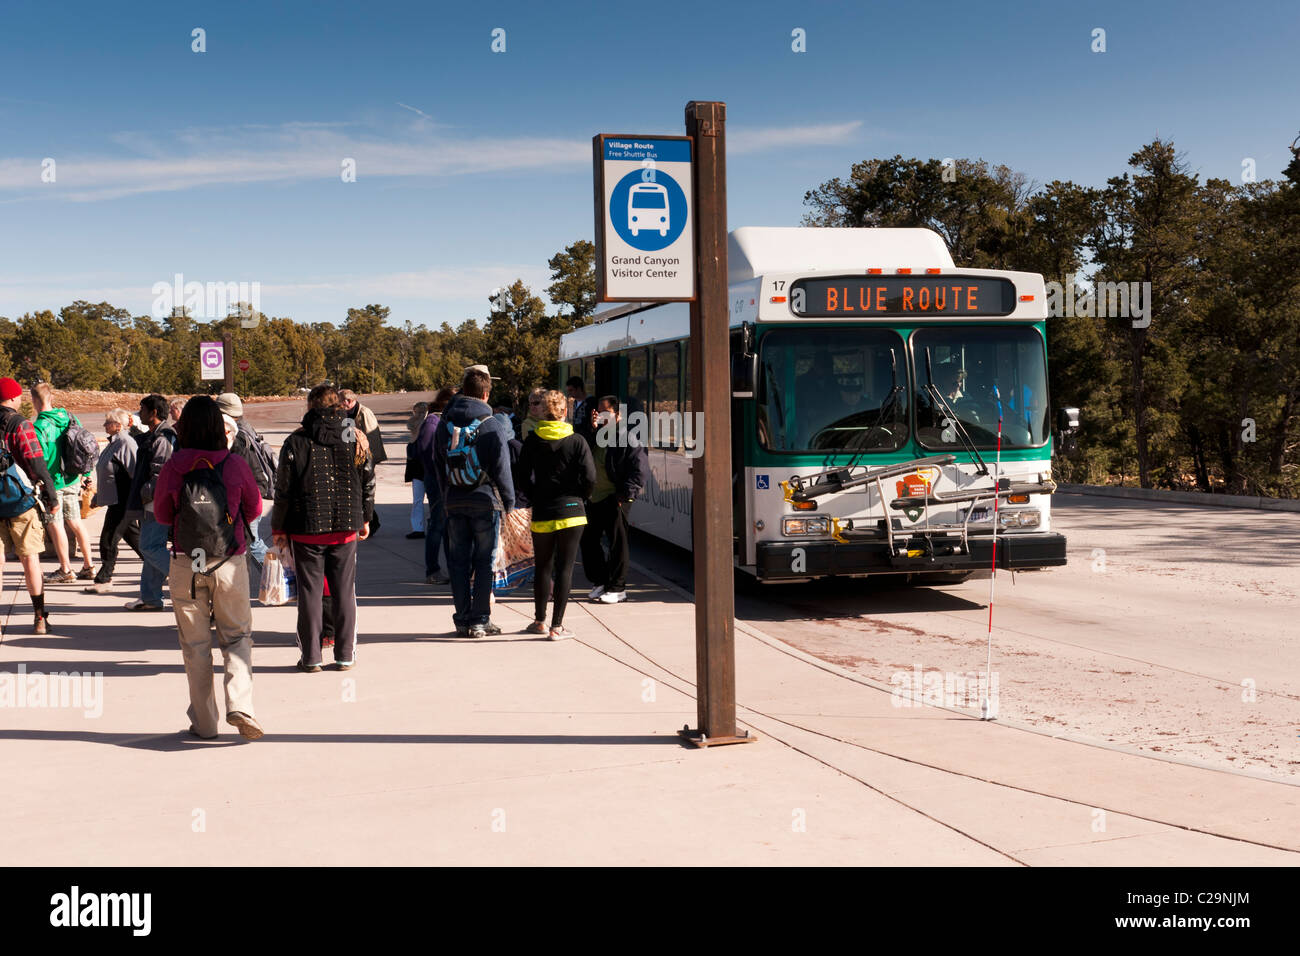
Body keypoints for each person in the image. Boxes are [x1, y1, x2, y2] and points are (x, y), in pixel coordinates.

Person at [153, 396, 263, 741]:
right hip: (228, 559)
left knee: (195, 645)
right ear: (219, 426)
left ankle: (204, 723)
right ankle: (240, 705)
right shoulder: (233, 464)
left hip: (187, 561)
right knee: (237, 636)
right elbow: (255, 508)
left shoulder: (174, 465)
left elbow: (161, 515)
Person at [272, 384, 376, 672]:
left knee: (310, 593)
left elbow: (283, 489)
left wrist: (278, 526)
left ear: (309, 407)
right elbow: (368, 481)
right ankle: (344, 655)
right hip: (345, 526)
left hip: (306, 528)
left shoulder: (296, 441)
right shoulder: (354, 437)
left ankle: (311, 657)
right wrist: (365, 517)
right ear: (339, 406)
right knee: (344, 593)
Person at [432, 366, 515, 638]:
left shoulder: (445, 424)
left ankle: (461, 619)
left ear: (462, 391)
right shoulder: (492, 425)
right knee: (482, 562)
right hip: (485, 501)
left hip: (454, 501)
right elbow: (502, 466)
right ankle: (480, 620)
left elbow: (437, 461)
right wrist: (509, 502)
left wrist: (445, 494)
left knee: (457, 562)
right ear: (487, 394)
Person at [516, 390, 595, 640]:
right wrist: (581, 497)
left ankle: (539, 621)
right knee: (565, 569)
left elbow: (521, 476)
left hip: (543, 510)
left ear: (546, 411)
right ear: (564, 412)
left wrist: (533, 495)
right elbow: (590, 477)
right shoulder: (577, 441)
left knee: (542, 567)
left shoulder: (532, 440)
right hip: (572, 512)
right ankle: (557, 627)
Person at [0, 377, 59, 634]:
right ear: (12, 397)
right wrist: (52, 496)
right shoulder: (20, 424)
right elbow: (36, 463)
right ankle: (39, 618)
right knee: (30, 559)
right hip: (20, 502)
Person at [580, 396, 648, 605]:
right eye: (597, 411)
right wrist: (591, 429)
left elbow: (639, 470)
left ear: (618, 415)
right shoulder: (597, 435)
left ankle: (618, 588)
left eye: (605, 412)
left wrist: (625, 496)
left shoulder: (627, 438)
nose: (600, 415)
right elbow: (581, 452)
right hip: (594, 497)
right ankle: (600, 581)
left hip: (615, 498)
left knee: (617, 543)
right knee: (588, 541)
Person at [30, 383, 95, 583]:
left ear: (34, 401)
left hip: (53, 483)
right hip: (73, 477)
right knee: (75, 522)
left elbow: (42, 459)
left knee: (55, 525)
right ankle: (89, 565)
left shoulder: (40, 426)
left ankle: (66, 569)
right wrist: (87, 473)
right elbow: (84, 445)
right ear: (51, 398)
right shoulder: (68, 417)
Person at [124, 393, 178, 611]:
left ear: (154, 413)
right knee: (152, 547)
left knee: (149, 547)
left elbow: (161, 472)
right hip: (153, 501)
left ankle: (189, 580)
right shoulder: (154, 435)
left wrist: (146, 493)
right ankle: (151, 598)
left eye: (143, 410)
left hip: (157, 502)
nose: (140, 414)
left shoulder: (164, 438)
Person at [216, 393, 277, 578]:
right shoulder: (245, 428)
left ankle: (280, 581)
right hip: (252, 495)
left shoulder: (236, 436)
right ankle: (281, 581)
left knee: (253, 544)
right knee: (253, 543)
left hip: (247, 499)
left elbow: (241, 473)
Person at [84, 408, 140, 594]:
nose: (104, 426)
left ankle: (104, 578)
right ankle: (162, 567)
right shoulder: (114, 443)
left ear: (118, 425)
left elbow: (135, 472)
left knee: (108, 539)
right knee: (135, 539)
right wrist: (99, 497)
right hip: (117, 500)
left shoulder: (126, 443)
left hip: (124, 500)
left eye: (108, 422)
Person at [415, 386, 456, 584]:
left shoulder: (443, 419)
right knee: (438, 525)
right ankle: (433, 570)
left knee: (448, 527)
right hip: (438, 480)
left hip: (445, 479)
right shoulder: (433, 421)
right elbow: (424, 449)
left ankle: (452, 567)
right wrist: (440, 469)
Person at [340, 389, 386, 536]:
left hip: (363, 459)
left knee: (363, 492)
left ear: (349, 401)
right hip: (351, 459)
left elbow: (372, 438)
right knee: (356, 491)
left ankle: (372, 522)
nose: (340, 404)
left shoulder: (364, 413)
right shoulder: (343, 413)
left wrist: (370, 461)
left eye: (341, 401)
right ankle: (369, 521)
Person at [404, 402, 429, 539]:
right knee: (418, 499)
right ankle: (418, 528)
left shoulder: (429, 425)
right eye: (417, 412)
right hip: (418, 468)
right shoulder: (415, 425)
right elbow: (411, 425)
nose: (419, 415)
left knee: (423, 499)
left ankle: (422, 527)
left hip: (426, 467)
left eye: (422, 412)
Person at [566, 376, 595, 443]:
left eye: (571, 390)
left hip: (588, 440)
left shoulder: (591, 402)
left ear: (578, 388)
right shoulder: (574, 403)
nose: (569, 393)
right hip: (576, 439)